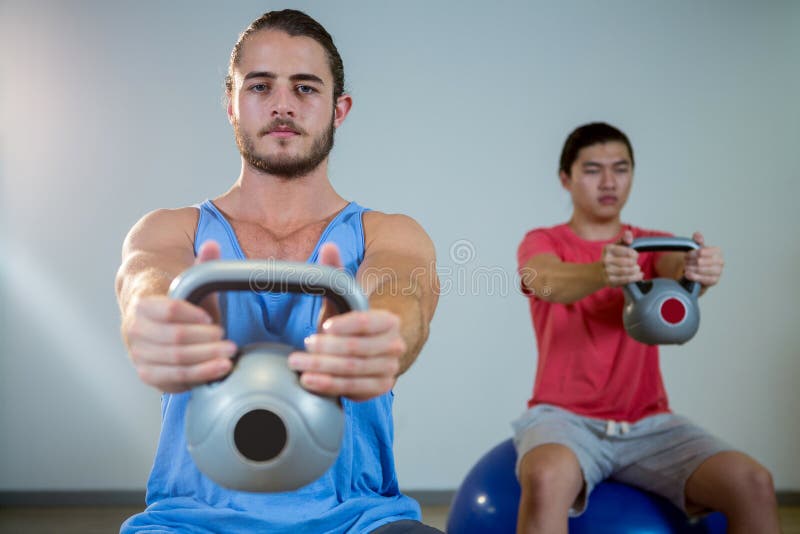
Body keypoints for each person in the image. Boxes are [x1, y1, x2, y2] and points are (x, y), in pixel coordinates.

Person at [115, 10, 441, 533]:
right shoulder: (169, 230)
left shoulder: (391, 233)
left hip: (357, 522)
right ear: (231, 103)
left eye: (305, 88)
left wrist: (381, 333)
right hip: (191, 523)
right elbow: (144, 279)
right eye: (260, 86)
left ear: (339, 109)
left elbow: (403, 292)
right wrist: (156, 316)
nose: (283, 105)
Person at [514, 122, 780, 534]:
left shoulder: (653, 245)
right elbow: (544, 280)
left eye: (620, 169)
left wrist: (697, 270)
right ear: (565, 178)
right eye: (593, 170)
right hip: (563, 420)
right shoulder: (544, 241)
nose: (609, 182)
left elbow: (675, 269)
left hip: (649, 425)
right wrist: (602, 272)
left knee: (753, 483)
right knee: (546, 477)